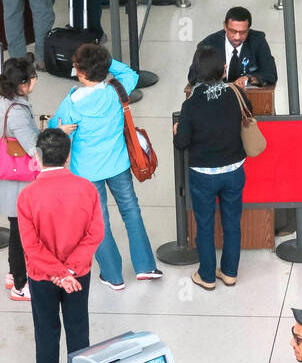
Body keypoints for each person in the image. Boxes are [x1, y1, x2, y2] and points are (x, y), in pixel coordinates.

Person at [50, 44, 161, 291]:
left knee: (98, 222)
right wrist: (105, 62)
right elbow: (131, 73)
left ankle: (113, 275)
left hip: (87, 172)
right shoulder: (116, 91)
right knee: (131, 210)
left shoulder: (72, 102)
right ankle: (145, 267)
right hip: (119, 164)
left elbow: (52, 128)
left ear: (79, 72)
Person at [17, 126, 104, 363]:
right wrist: (69, 271)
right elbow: (95, 234)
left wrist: (56, 273)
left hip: (42, 277)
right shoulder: (87, 189)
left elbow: (31, 246)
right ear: (68, 157)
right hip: (78, 275)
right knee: (79, 329)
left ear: (38, 157)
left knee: (46, 331)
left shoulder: (28, 196)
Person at [174, 44, 250, 291]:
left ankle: (206, 275)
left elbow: (181, 143)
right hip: (234, 171)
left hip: (203, 176)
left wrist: (178, 130)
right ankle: (229, 273)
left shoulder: (191, 104)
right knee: (232, 222)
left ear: (195, 70)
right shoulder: (235, 94)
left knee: (204, 225)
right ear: (224, 68)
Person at [0, 55, 40, 302]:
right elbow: (33, 149)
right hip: (20, 182)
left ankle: (13, 274)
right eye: (33, 76)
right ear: (23, 83)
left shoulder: (4, 101)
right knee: (20, 232)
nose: (36, 79)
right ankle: (20, 284)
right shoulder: (17, 112)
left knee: (17, 228)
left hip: (9, 176)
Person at [188, 6, 278, 88]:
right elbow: (193, 76)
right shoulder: (209, 44)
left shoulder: (258, 41)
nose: (237, 37)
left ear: (249, 30)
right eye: (233, 31)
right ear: (225, 26)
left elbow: (270, 73)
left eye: (243, 32)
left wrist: (249, 78)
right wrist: (216, 75)